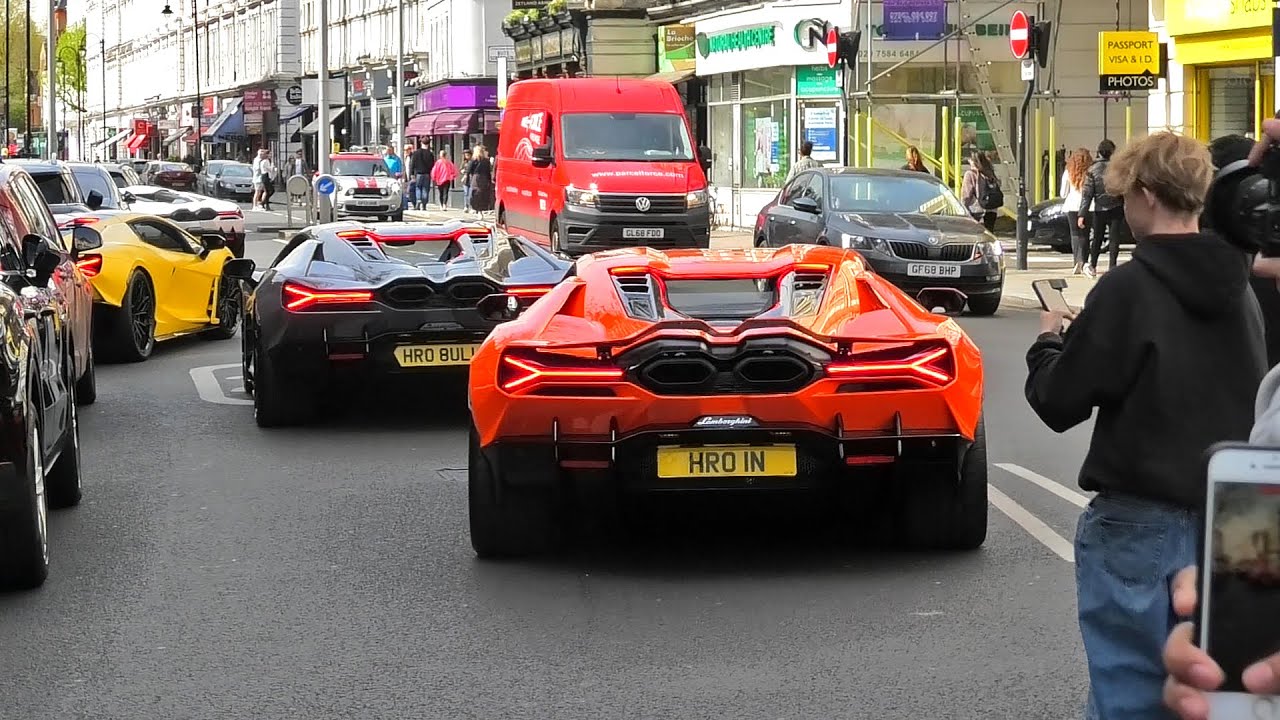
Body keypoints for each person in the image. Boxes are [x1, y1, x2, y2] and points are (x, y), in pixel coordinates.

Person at [1025, 130, 1267, 719]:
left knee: (1130, 697)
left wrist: (1048, 341)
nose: (1122, 208)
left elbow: (1061, 402)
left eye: (1126, 194)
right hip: (1237, 522)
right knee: (1220, 695)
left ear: (1149, 194)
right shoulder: (1243, 288)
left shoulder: (1130, 286)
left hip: (1141, 522)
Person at [1079, 138, 1127, 277]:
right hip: (1116, 206)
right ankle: (1112, 265)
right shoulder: (1118, 169)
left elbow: (1087, 194)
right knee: (1114, 238)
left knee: (1097, 238)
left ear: (1099, 152)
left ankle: (1093, 265)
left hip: (1099, 208)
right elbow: (1124, 188)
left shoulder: (1092, 170)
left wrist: (1082, 214)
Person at [1061, 147, 1093, 275]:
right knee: (1085, 234)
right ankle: (1084, 261)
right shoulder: (1090, 172)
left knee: (1074, 234)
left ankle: (1076, 261)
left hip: (1072, 205)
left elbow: (1063, 193)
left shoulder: (1068, 172)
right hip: (1088, 206)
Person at [961, 151, 1001, 232]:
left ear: (973, 161)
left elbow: (967, 194)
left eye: (970, 160)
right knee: (989, 233)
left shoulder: (970, 174)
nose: (969, 161)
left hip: (976, 209)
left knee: (973, 234)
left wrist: (962, 207)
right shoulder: (990, 173)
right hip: (992, 209)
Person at [467, 145, 494, 216]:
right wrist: (489, 180)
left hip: (476, 178)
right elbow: (488, 171)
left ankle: (476, 209)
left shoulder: (473, 160)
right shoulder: (486, 161)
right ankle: (480, 210)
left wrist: (468, 178)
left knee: (475, 193)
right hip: (484, 178)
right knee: (482, 194)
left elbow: (469, 170)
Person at [409, 141, 435, 211]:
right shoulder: (430, 154)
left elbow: (412, 164)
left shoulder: (416, 153)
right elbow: (432, 165)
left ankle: (418, 200)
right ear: (428, 144)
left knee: (418, 187)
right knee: (425, 189)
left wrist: (411, 174)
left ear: (421, 143)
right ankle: (424, 204)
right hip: (427, 174)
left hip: (418, 174)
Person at [458, 148, 473, 214]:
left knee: (470, 194)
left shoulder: (472, 162)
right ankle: (466, 206)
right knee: (466, 193)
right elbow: (460, 169)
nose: (466, 156)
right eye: (465, 155)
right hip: (465, 180)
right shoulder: (464, 162)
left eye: (467, 155)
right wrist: (462, 171)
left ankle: (471, 207)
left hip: (471, 179)